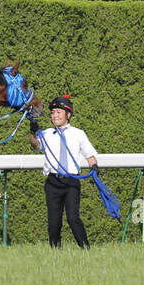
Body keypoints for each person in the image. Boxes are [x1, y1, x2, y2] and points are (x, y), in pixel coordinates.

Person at [29, 94, 97, 249]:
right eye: (53, 113)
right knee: (54, 221)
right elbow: (35, 146)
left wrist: (94, 167)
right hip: (53, 181)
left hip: (71, 181)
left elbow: (90, 154)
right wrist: (33, 133)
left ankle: (86, 249)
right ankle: (55, 251)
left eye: (58, 112)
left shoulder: (78, 134)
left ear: (68, 114)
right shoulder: (45, 134)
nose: (54, 116)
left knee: (73, 218)